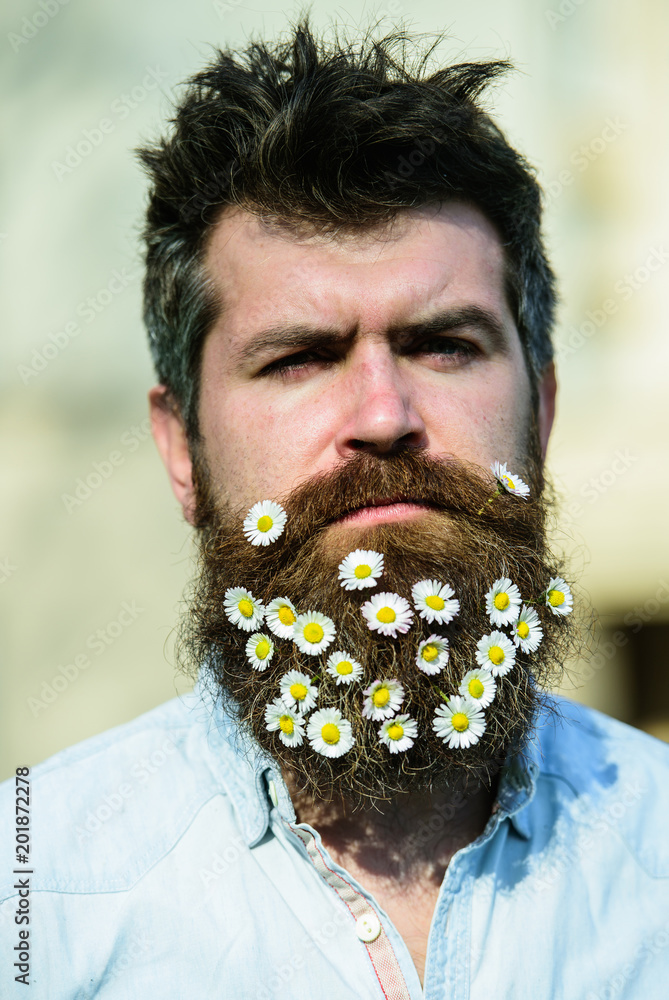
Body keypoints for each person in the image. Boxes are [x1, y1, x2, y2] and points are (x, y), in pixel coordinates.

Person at [2, 17, 669, 999]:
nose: (385, 417)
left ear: (547, 409)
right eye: (302, 357)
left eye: (444, 343)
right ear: (180, 447)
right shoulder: (36, 900)